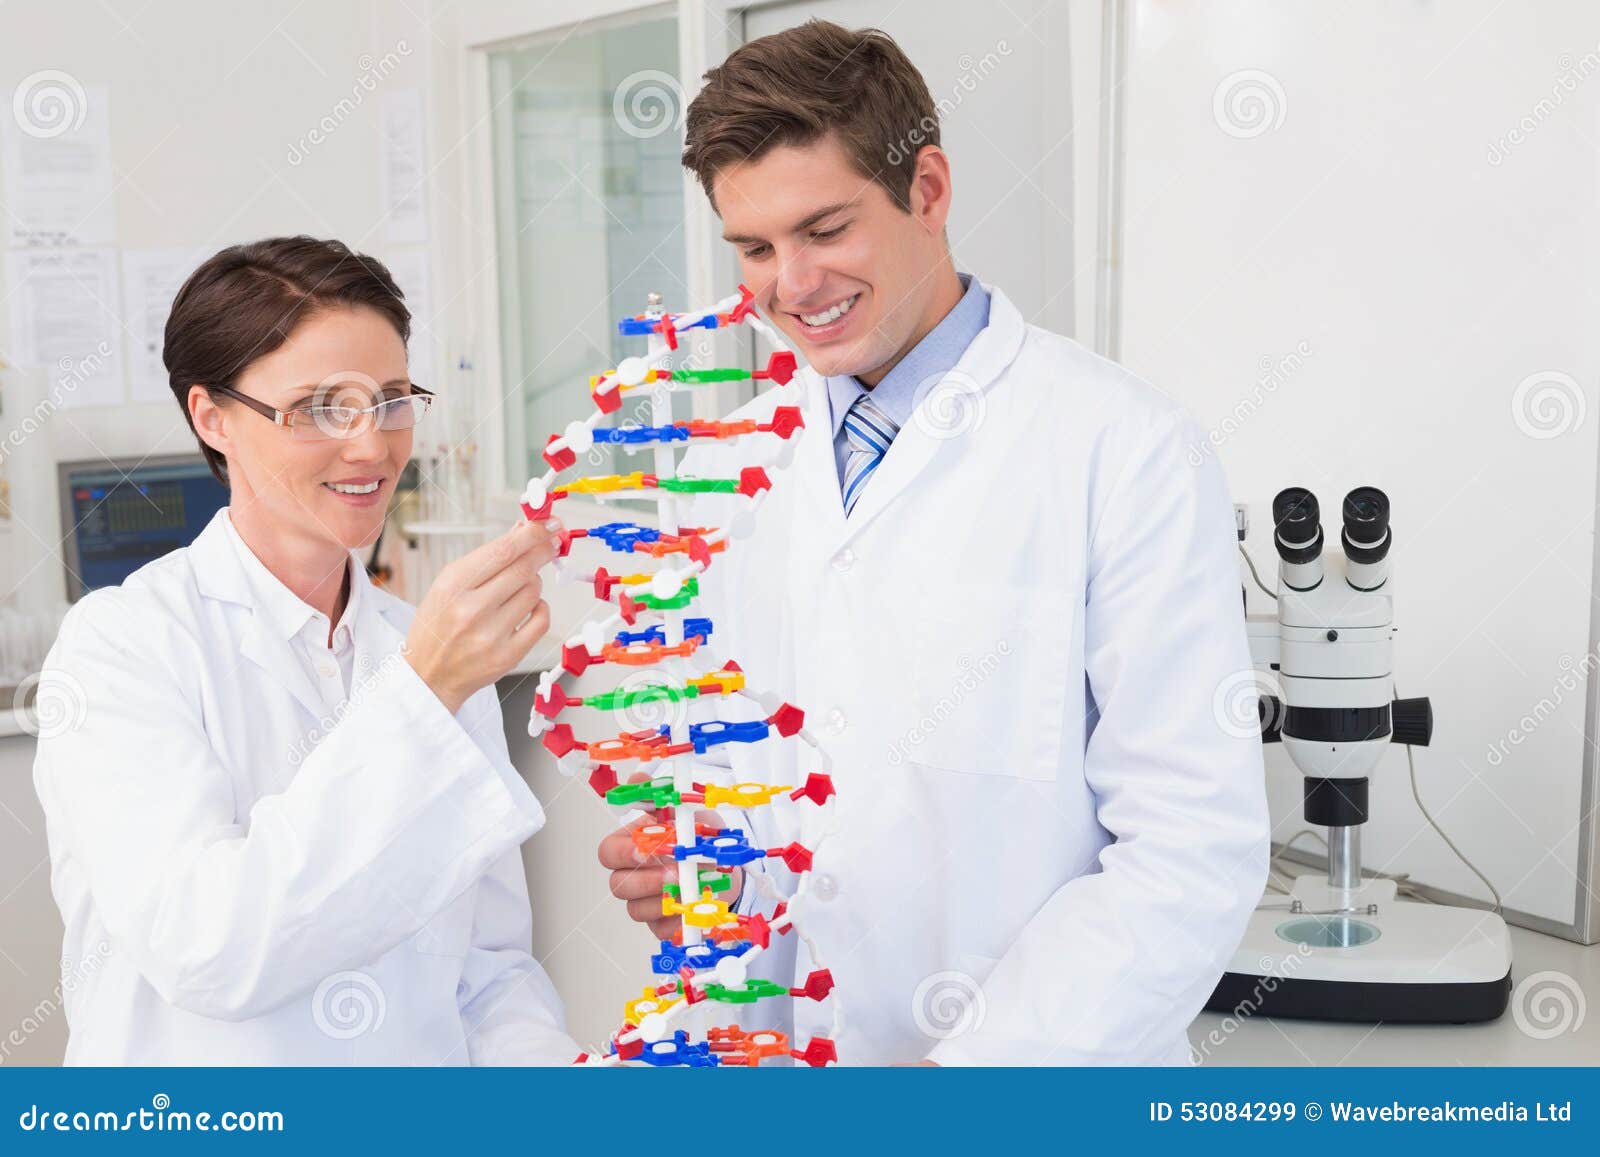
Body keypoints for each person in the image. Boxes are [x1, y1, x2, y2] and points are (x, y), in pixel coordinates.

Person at [597, 22, 1271, 1065]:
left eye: (825, 228)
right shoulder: (730, 467)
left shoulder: (1124, 447)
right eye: (755, 248)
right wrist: (701, 869)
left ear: (927, 189)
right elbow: (741, 772)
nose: (792, 284)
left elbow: (1189, 848)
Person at [32, 237, 579, 1064]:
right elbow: (210, 949)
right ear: (212, 417)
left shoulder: (425, 645)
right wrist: (422, 691)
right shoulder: (121, 646)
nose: (372, 446)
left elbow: (488, 969)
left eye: (391, 401)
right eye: (321, 407)